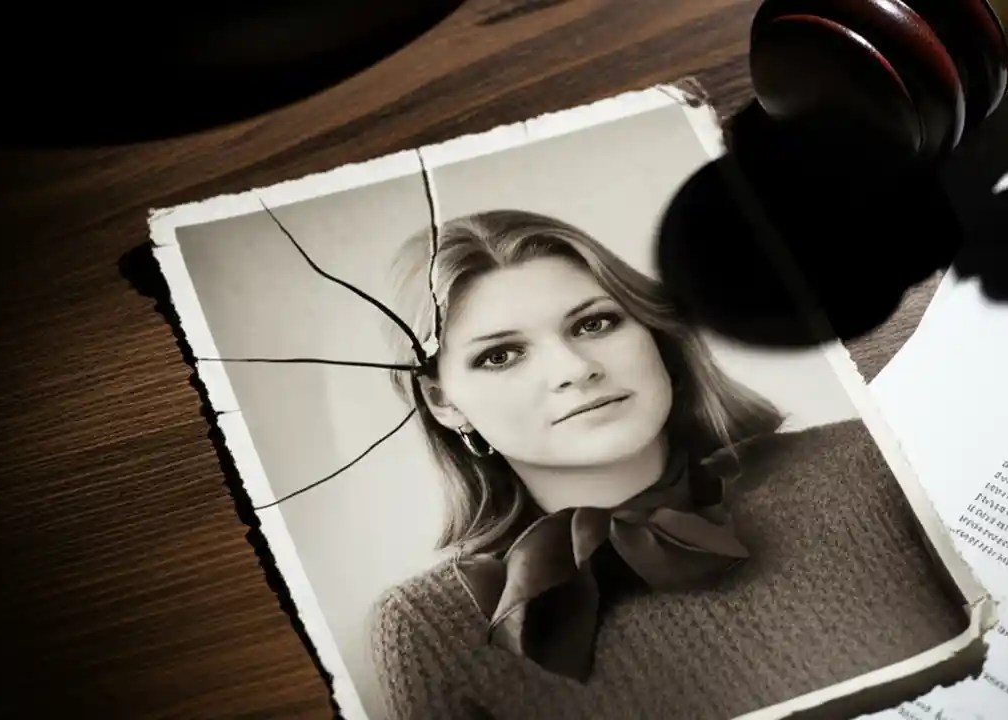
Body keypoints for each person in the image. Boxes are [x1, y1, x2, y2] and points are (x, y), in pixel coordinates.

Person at [367, 209, 970, 720]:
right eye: (501, 356)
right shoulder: (427, 628)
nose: (575, 368)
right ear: (444, 402)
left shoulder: (864, 459)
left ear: (653, 331)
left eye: (595, 323)